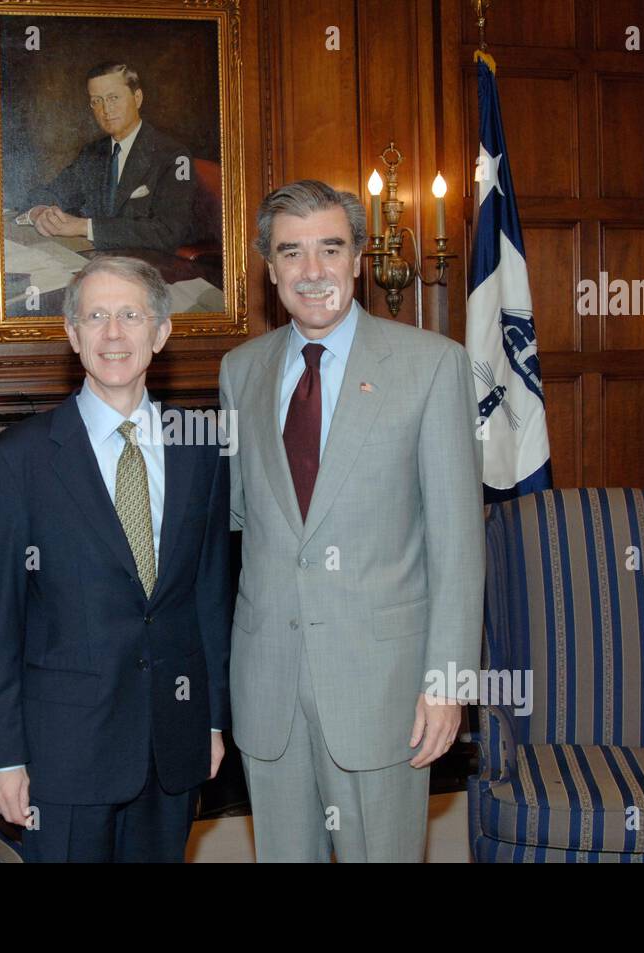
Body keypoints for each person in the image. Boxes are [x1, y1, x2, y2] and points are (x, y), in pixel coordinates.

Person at [218, 179, 484, 862]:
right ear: (269, 267)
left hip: (384, 687)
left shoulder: (431, 366)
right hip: (268, 682)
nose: (312, 272)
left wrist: (448, 682)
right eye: (291, 252)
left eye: (329, 249)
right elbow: (241, 522)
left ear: (360, 258)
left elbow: (459, 544)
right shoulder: (238, 372)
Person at [0, 255, 230, 862]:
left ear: (160, 333)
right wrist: (3, 756)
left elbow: (210, 597)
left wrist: (211, 719)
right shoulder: (18, 461)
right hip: (63, 754)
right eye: (96, 317)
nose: (114, 334)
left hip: (172, 742)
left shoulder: (203, 449)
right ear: (73, 335)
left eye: (131, 316)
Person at [17, 62, 196, 253]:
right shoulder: (93, 153)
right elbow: (53, 191)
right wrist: (40, 211)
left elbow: (169, 232)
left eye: (113, 98)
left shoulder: (174, 155)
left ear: (137, 98)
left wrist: (84, 226)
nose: (106, 110)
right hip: (96, 259)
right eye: (97, 101)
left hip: (146, 264)